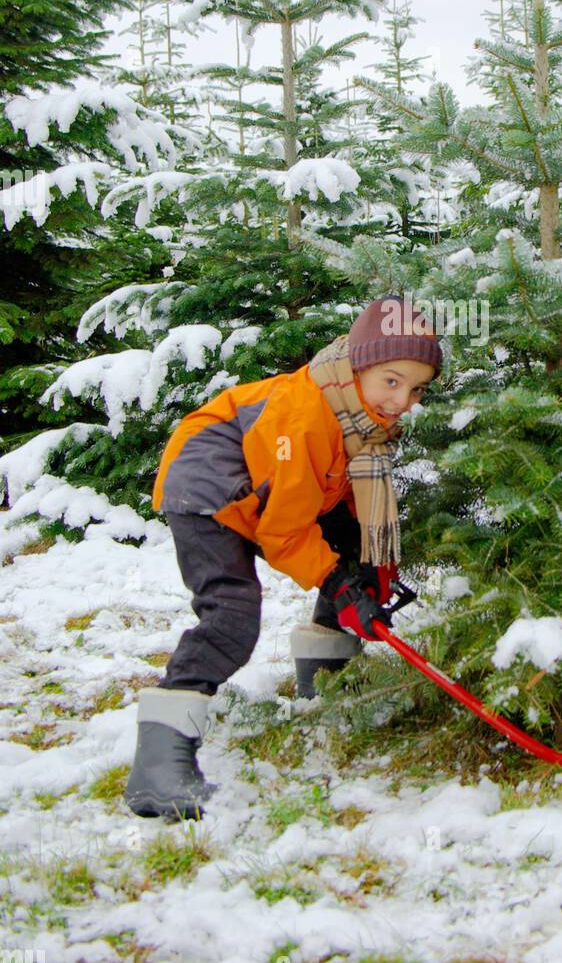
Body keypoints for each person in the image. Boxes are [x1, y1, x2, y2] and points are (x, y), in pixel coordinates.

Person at [123, 293, 441, 819]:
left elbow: (345, 510)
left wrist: (369, 577)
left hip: (267, 491)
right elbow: (285, 532)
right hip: (207, 487)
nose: (403, 400)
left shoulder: (362, 425)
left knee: (352, 548)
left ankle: (327, 673)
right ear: (358, 366)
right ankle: (159, 764)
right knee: (232, 615)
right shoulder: (306, 418)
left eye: (416, 388)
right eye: (391, 380)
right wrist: (339, 585)